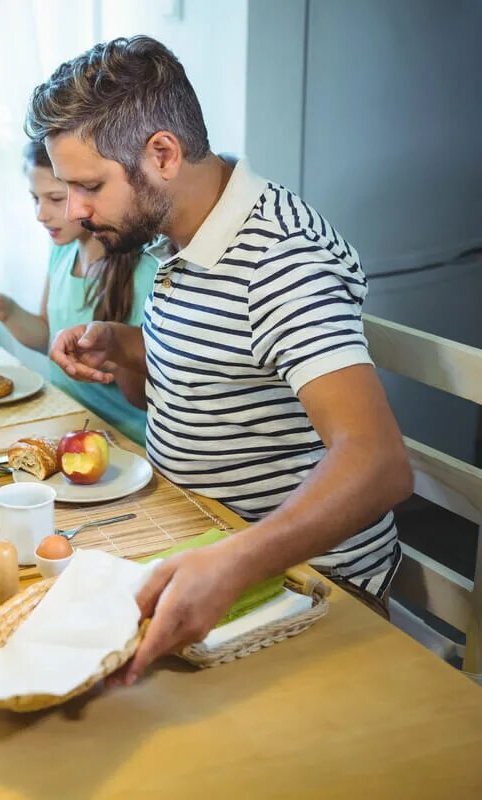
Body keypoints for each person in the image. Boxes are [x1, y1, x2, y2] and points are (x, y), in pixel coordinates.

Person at [25, 36, 413, 682]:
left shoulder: (281, 259)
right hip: (203, 535)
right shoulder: (181, 233)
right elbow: (229, 376)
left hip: (311, 583)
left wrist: (235, 560)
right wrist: (130, 348)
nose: (79, 212)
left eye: (89, 186)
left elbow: (378, 462)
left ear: (163, 155)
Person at [0, 139, 157, 445]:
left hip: (126, 440)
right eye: (34, 198)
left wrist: (114, 356)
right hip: (72, 422)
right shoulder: (61, 251)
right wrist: (7, 311)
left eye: (54, 198)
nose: (41, 213)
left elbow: (150, 394)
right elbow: (51, 339)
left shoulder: (145, 272)